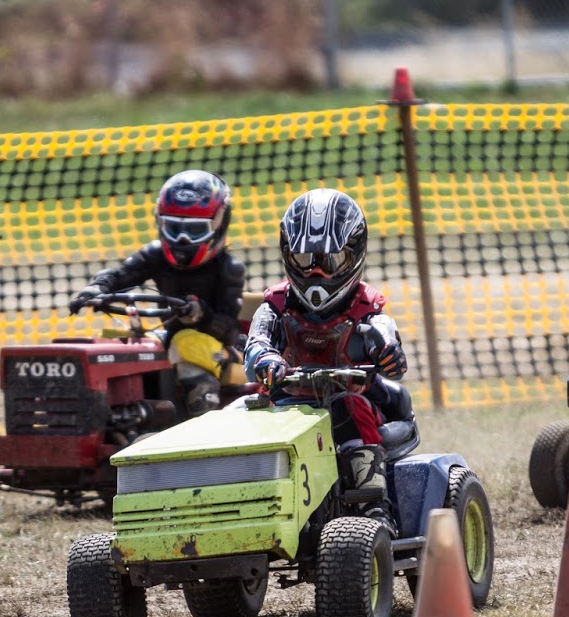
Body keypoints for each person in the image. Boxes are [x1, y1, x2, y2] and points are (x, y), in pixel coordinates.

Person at [244, 188, 411, 531]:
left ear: (354, 254)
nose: (316, 275)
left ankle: (373, 507)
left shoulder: (367, 310)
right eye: (306, 261)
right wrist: (266, 359)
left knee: (348, 408)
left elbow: (387, 340)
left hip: (350, 397)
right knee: (237, 416)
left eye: (329, 262)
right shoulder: (275, 306)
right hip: (285, 400)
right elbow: (257, 343)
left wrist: (387, 352)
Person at [70, 170, 245, 417]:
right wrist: (98, 288)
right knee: (113, 343)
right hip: (170, 336)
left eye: (194, 231)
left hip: (218, 346)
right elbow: (123, 275)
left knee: (187, 344)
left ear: (218, 224)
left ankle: (201, 425)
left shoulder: (229, 268)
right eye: (174, 228)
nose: (183, 240)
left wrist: (200, 315)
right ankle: (112, 418)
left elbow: (229, 327)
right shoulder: (156, 256)